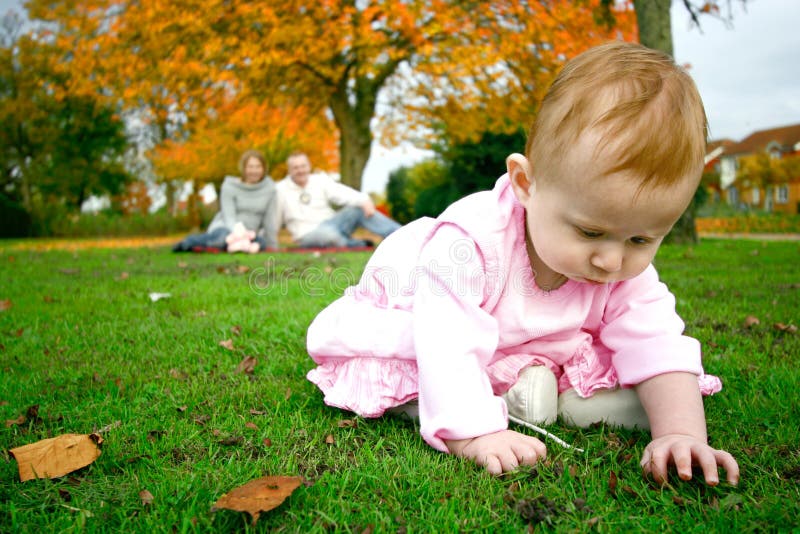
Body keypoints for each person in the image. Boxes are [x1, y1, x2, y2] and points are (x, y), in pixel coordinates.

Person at [304, 42, 740, 485]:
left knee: (643, 371)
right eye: (590, 232)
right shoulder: (470, 243)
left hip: (528, 338)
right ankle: (488, 396)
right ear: (526, 184)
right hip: (425, 314)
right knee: (414, 362)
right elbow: (446, 342)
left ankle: (548, 389)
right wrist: (473, 433)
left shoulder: (620, 262)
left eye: (641, 238)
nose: (611, 259)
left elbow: (656, 339)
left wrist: (681, 432)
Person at [275, 152, 401, 248]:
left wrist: (364, 200)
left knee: (358, 209)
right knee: (328, 236)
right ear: (289, 170)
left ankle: (401, 235)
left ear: (309, 166)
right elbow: (273, 217)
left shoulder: (319, 180)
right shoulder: (280, 189)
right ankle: (356, 244)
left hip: (332, 223)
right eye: (296, 167)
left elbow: (342, 193)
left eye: (303, 166)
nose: (300, 170)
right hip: (307, 234)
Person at [173, 149, 279, 252]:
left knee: (262, 243)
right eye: (250, 167)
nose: (254, 171)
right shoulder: (229, 186)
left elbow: (269, 220)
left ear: (264, 168)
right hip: (226, 228)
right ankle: (189, 242)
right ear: (244, 168)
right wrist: (237, 234)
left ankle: (237, 246)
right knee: (221, 240)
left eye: (258, 167)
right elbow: (229, 216)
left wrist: (273, 245)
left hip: (249, 233)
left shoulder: (270, 188)